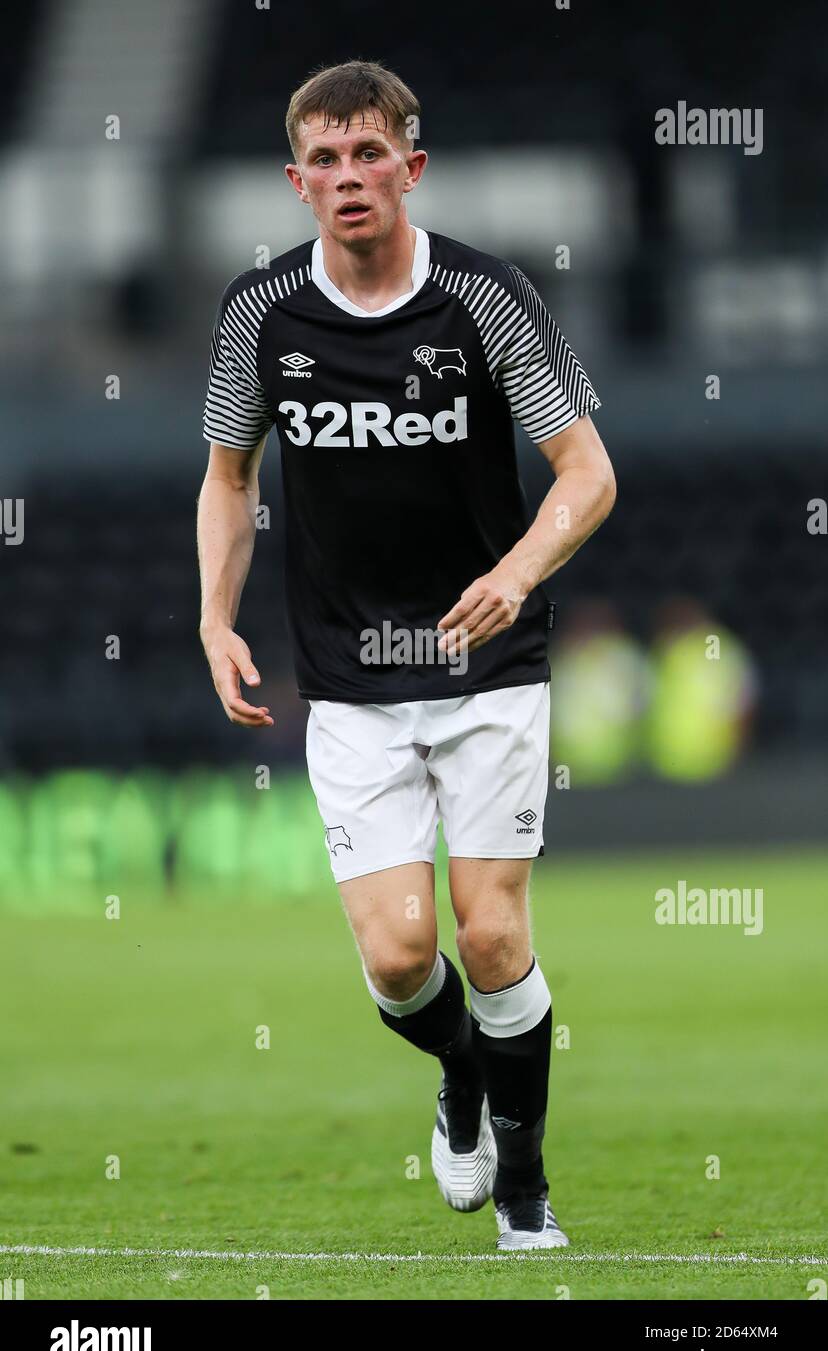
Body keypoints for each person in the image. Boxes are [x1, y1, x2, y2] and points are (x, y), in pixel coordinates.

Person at [198, 59, 616, 1250]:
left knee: (491, 937)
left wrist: (517, 572)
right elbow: (229, 481)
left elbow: (588, 473)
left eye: (369, 153)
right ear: (295, 180)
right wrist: (214, 619)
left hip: (489, 663)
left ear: (411, 167)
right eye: (324, 160)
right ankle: (465, 1076)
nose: (348, 178)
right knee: (399, 958)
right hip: (349, 677)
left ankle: (526, 1187)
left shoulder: (485, 298)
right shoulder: (260, 314)